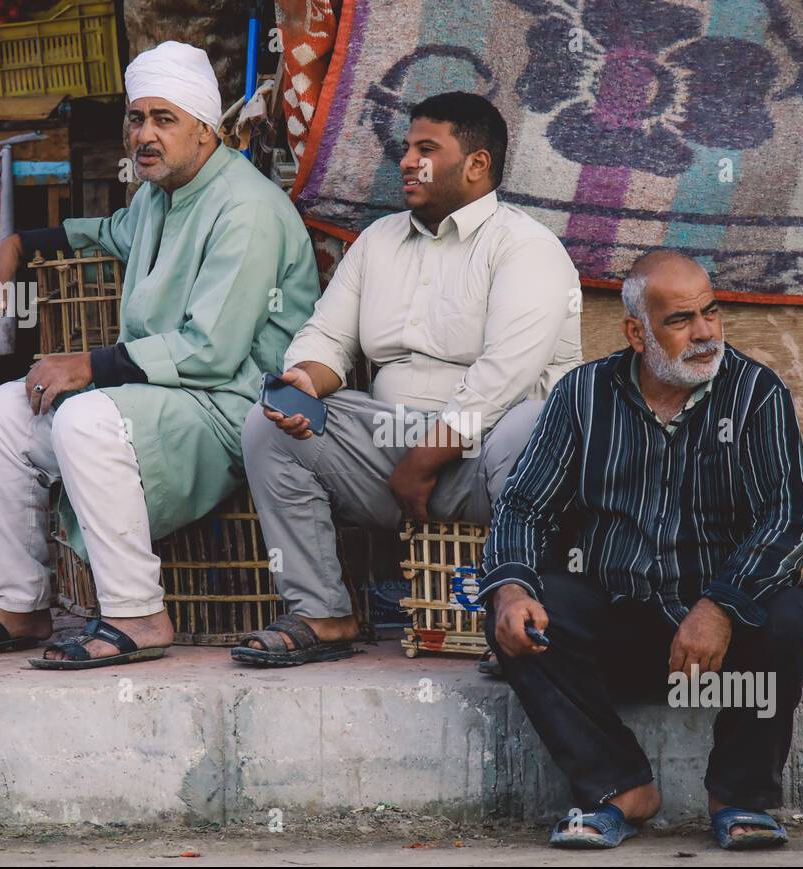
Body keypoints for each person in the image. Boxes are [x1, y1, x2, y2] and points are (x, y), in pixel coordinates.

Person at [0, 41, 319, 669]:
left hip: (230, 406)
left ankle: (136, 613)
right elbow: (106, 234)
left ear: (206, 130)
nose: (145, 135)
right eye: (137, 118)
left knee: (83, 413)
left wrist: (87, 367)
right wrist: (21, 241)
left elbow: (212, 352)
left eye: (165, 119)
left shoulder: (246, 210)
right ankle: (20, 602)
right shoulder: (159, 196)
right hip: (161, 397)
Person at [479, 251, 803, 849]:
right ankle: (617, 788)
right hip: (622, 621)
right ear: (637, 332)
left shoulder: (756, 394)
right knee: (521, 614)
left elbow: (789, 521)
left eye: (711, 312)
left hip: (723, 643)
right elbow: (524, 505)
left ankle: (739, 795)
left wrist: (719, 607)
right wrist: (511, 587)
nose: (706, 332)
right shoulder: (584, 395)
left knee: (787, 620)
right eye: (682, 320)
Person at [234, 91, 583, 667]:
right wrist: (302, 384)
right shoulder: (379, 241)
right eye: (406, 148)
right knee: (268, 427)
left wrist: (422, 463)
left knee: (539, 420)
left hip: (489, 461)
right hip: (392, 456)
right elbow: (329, 339)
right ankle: (324, 612)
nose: (405, 161)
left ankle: (524, 619)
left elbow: (503, 376)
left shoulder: (526, 248)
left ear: (477, 165)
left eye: (426, 149)